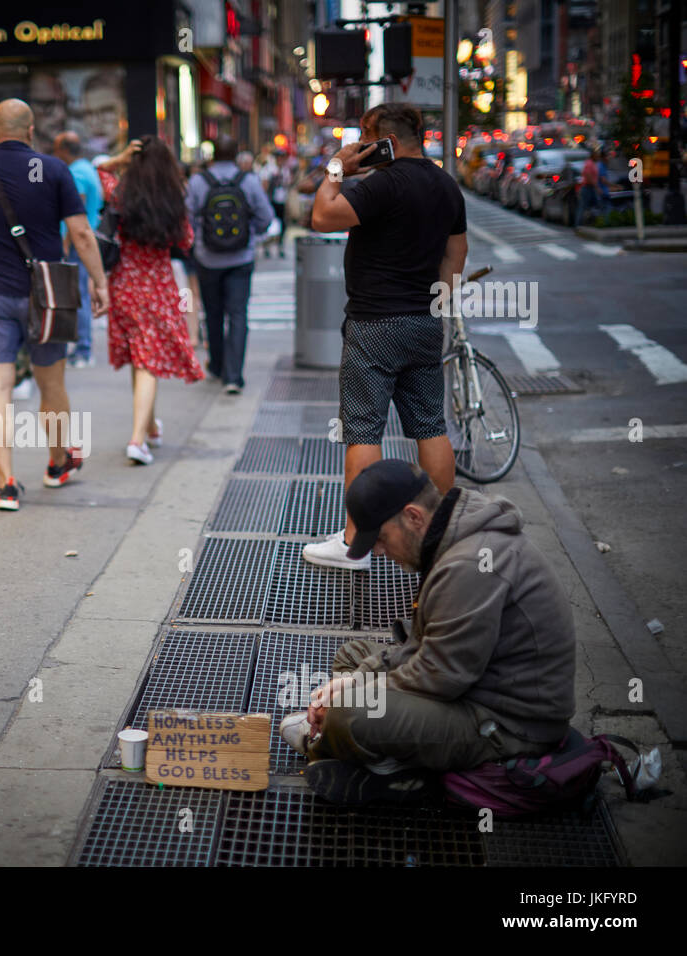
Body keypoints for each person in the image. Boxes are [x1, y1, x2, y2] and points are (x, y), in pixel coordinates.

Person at [279, 460, 576, 805]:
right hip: (473, 688)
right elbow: (426, 648)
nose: (378, 551)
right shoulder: (452, 533)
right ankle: (383, 759)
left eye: (381, 539)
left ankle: (344, 748)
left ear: (413, 516)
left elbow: (441, 675)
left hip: (508, 726)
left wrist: (353, 697)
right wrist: (360, 679)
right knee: (354, 657)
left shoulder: (469, 565)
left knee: (350, 710)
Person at [301, 103, 465, 570]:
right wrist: (435, 304)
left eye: (363, 135)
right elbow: (457, 254)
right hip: (422, 323)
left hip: (374, 323)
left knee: (363, 430)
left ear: (376, 137)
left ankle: (357, 543)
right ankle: (442, 532)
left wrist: (338, 166)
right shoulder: (446, 185)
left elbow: (322, 217)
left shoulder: (381, 184)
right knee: (430, 426)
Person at [0, 98, 109, 511]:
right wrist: (99, 281)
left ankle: (6, 484)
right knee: (52, 383)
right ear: (32, 131)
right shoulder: (54, 170)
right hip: (48, 293)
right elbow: (82, 233)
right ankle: (56, 464)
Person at [97, 136, 201, 464]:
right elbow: (186, 241)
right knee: (147, 360)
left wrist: (122, 157)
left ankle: (151, 427)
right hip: (156, 285)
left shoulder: (122, 194)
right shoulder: (173, 200)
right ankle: (137, 440)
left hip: (124, 285)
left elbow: (99, 169)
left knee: (142, 359)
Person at [186, 136, 275, 395]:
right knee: (238, 315)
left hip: (207, 258)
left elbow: (187, 219)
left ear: (213, 154)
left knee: (212, 313)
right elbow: (266, 217)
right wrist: (250, 236)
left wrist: (197, 242)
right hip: (241, 259)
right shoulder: (248, 181)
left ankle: (216, 366)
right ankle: (233, 376)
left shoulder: (198, 181)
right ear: (237, 154)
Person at [53, 131, 103, 368]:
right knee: (80, 295)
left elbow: (76, 215)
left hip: (78, 245)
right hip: (85, 242)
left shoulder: (77, 173)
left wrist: (64, 243)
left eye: (56, 148)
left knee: (80, 296)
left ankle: (83, 349)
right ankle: (82, 347)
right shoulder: (86, 169)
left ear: (64, 149)